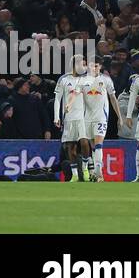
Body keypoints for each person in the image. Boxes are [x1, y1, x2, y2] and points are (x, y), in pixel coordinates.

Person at [53, 54, 93, 182]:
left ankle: (86, 168)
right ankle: (75, 174)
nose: (85, 66)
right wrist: (56, 117)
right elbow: (57, 99)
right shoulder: (63, 79)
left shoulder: (88, 79)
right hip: (69, 117)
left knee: (84, 142)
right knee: (70, 146)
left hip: (84, 117)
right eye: (83, 63)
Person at [81, 59, 122, 181]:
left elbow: (113, 99)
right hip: (86, 117)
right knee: (92, 145)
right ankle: (93, 171)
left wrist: (120, 117)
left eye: (96, 66)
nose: (94, 68)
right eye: (92, 66)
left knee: (99, 144)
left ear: (100, 66)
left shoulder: (106, 80)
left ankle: (99, 174)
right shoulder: (82, 80)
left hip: (101, 117)